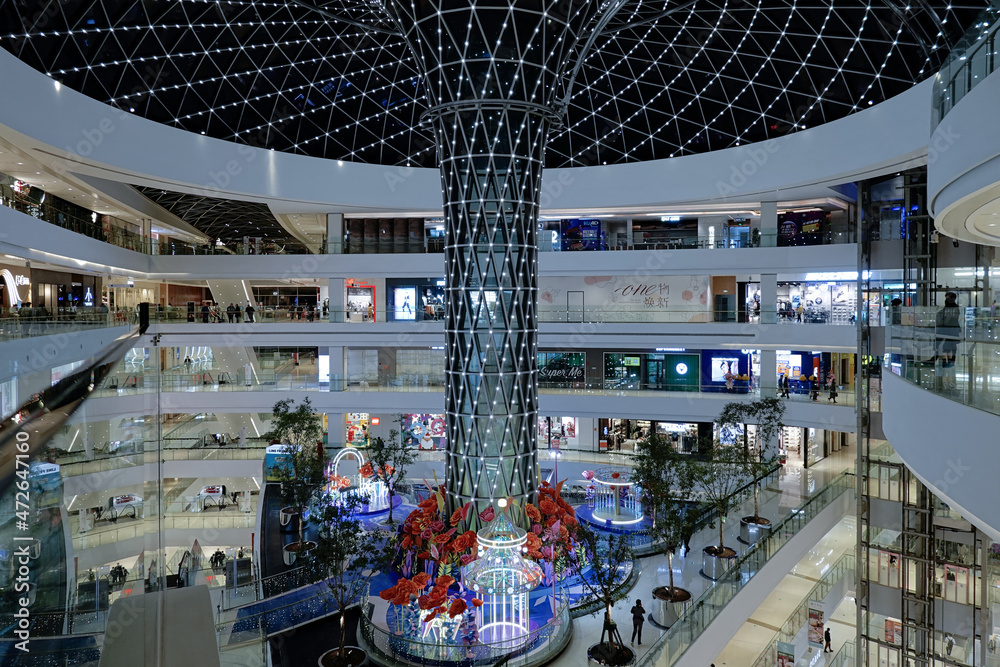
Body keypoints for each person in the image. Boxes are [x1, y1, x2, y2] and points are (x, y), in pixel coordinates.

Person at [935, 291, 961, 388]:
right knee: (947, 347)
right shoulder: (952, 308)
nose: (946, 299)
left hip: (948, 330)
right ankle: (947, 367)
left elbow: (949, 320)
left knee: (948, 347)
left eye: (948, 297)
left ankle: (948, 367)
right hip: (949, 330)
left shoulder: (953, 308)